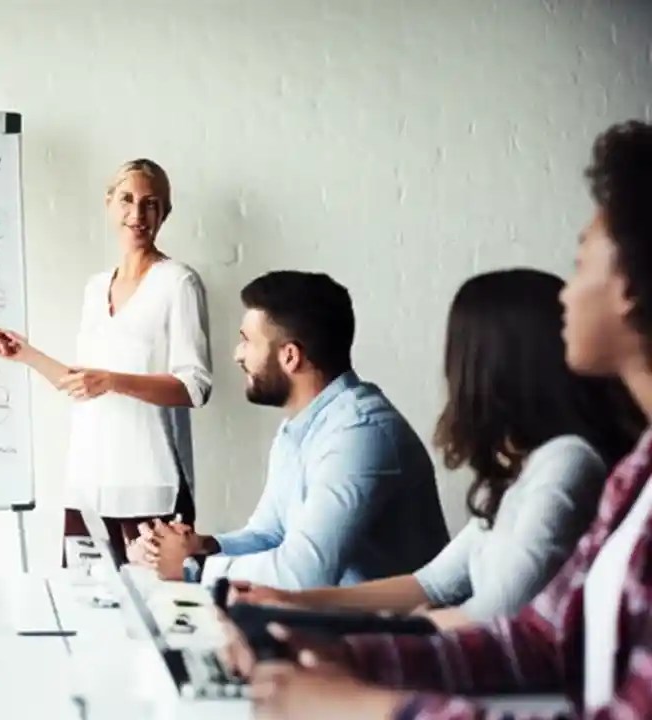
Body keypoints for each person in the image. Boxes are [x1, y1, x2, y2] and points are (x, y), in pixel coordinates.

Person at [241, 120, 652, 720]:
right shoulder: (631, 476)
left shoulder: (570, 464)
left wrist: (368, 706)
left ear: (634, 283)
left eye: (582, 260)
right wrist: (344, 653)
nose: (566, 293)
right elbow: (540, 640)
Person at [230, 269, 643, 629]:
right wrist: (294, 603)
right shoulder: (513, 475)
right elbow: (431, 583)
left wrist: (350, 634)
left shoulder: (566, 462)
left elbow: (492, 618)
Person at [130, 271, 449, 589]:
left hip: (388, 632)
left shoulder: (360, 434)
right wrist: (198, 547)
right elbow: (270, 534)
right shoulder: (301, 425)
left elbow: (303, 574)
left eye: (246, 341)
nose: (237, 354)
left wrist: (194, 568)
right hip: (332, 623)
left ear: (290, 356)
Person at [0, 159, 212, 562]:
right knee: (83, 607)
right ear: (109, 204)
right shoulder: (94, 288)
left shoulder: (178, 282)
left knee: (155, 609)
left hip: (151, 485)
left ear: (165, 213)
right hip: (87, 484)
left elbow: (194, 388)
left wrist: (113, 381)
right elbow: (83, 383)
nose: (137, 214)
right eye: (126, 199)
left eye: (151, 203)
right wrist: (25, 353)